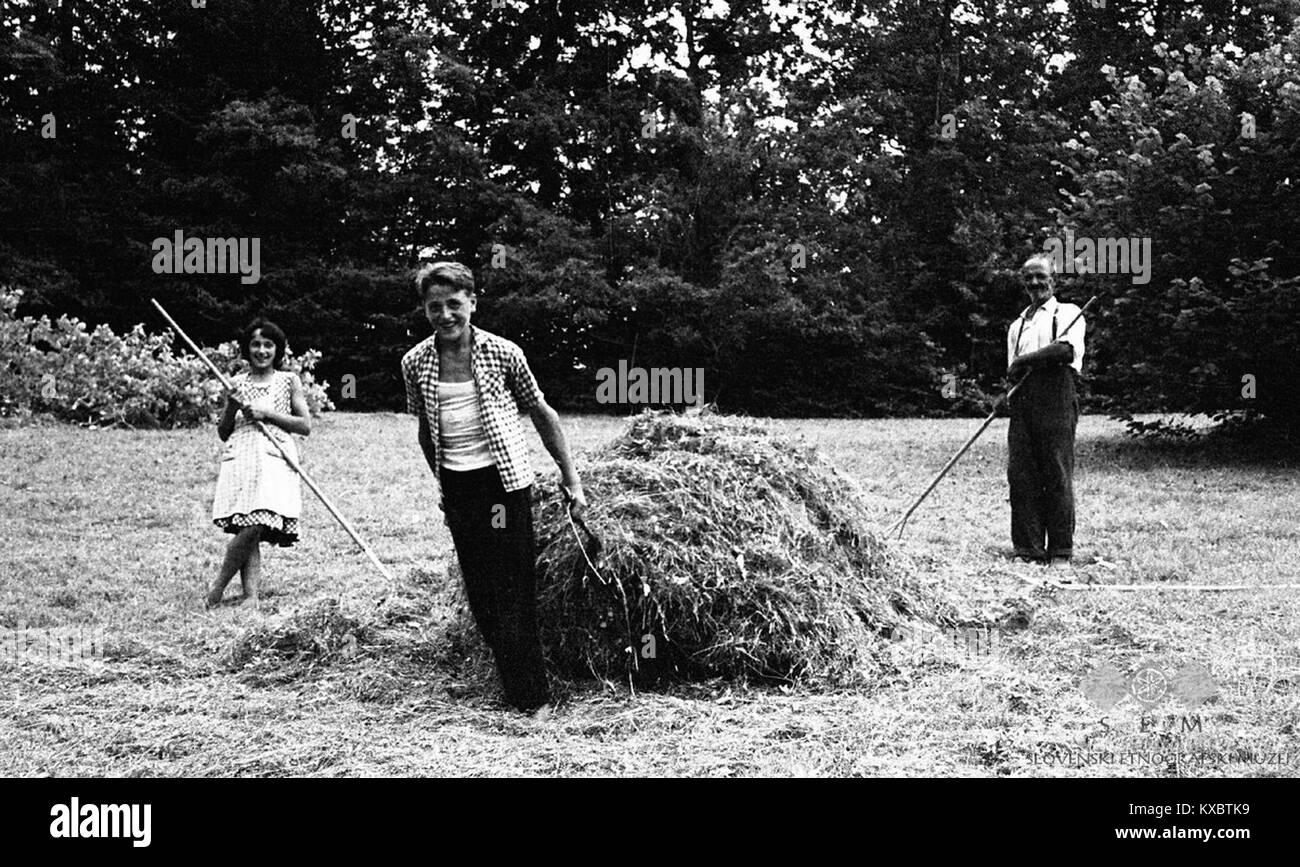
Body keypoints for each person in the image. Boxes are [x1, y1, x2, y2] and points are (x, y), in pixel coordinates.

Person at [401, 260, 586, 714]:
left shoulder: (505, 353)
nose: (445, 316)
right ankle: (512, 683)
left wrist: (571, 478)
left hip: (504, 485)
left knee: (514, 590)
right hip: (460, 488)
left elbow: (544, 416)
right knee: (482, 594)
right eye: (434, 307)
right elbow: (427, 431)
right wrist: (442, 485)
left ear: (472, 303)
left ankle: (534, 700)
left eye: (454, 305)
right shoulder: (415, 362)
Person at [208, 317, 312, 607]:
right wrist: (231, 404)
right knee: (247, 523)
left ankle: (217, 586)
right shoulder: (236, 383)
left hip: (274, 456)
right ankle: (251, 596)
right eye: (256, 344)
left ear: (277, 350)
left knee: (256, 522)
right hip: (241, 457)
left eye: (268, 345)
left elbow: (304, 425)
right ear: (247, 348)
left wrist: (266, 413)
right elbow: (223, 431)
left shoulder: (288, 380)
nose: (262, 350)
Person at [1006, 254, 1086, 567]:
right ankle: (1028, 551)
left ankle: (1061, 552)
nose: (1035, 283)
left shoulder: (1068, 313)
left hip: (1056, 400)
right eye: (1029, 278)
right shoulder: (1017, 325)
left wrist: (1025, 362)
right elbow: (1011, 372)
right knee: (1021, 476)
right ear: (1023, 283)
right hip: (1023, 404)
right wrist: (1006, 398)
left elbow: (1065, 351)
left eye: (1041, 277)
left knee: (1056, 474)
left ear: (1054, 279)